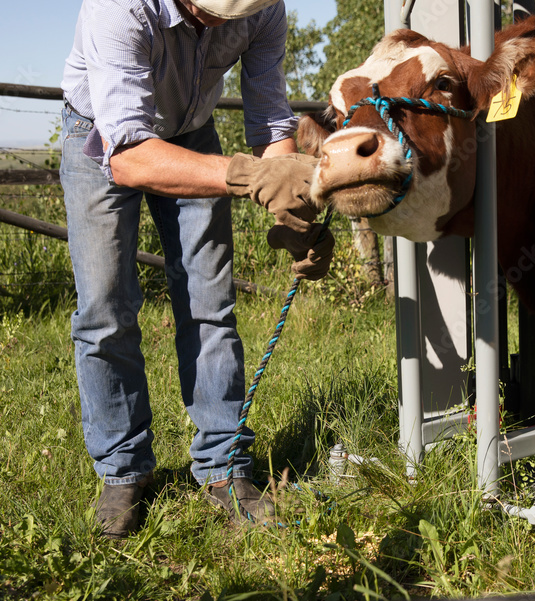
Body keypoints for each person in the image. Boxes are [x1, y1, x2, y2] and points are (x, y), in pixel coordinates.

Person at [59, 0, 334, 538]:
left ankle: (224, 469)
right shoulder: (119, 7)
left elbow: (269, 114)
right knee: (105, 307)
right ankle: (122, 470)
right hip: (103, 139)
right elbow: (130, 154)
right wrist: (245, 176)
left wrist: (293, 202)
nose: (220, 21)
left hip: (193, 131)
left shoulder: (262, 10)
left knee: (211, 302)